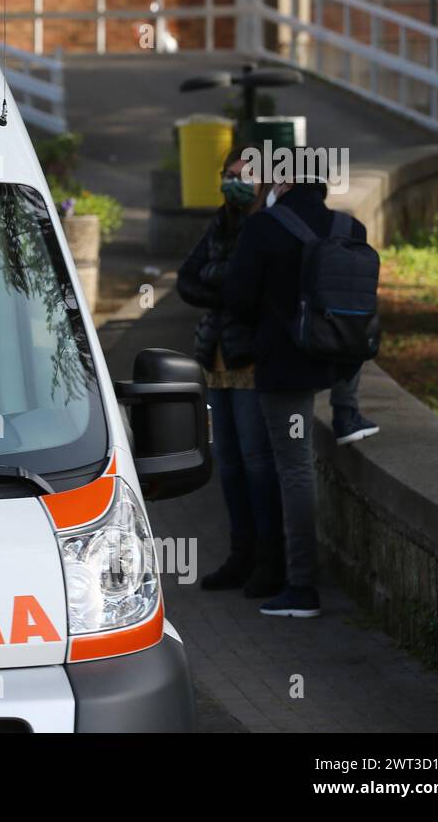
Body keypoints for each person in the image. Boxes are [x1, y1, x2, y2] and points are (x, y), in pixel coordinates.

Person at [224, 174, 371, 618]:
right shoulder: (351, 229)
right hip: (340, 358)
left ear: (284, 182)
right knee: (298, 469)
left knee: (295, 469)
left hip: (284, 365)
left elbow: (239, 300)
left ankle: (301, 586)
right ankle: (348, 415)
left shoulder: (263, 226)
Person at [177, 148, 286, 598]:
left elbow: (251, 290)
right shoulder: (220, 222)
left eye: (245, 175)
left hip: (249, 361)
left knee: (259, 463)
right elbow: (186, 280)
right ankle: (240, 555)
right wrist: (227, 285)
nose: (235, 182)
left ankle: (269, 561)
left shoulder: (266, 226)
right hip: (214, 359)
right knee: (230, 463)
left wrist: (219, 281)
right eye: (229, 174)